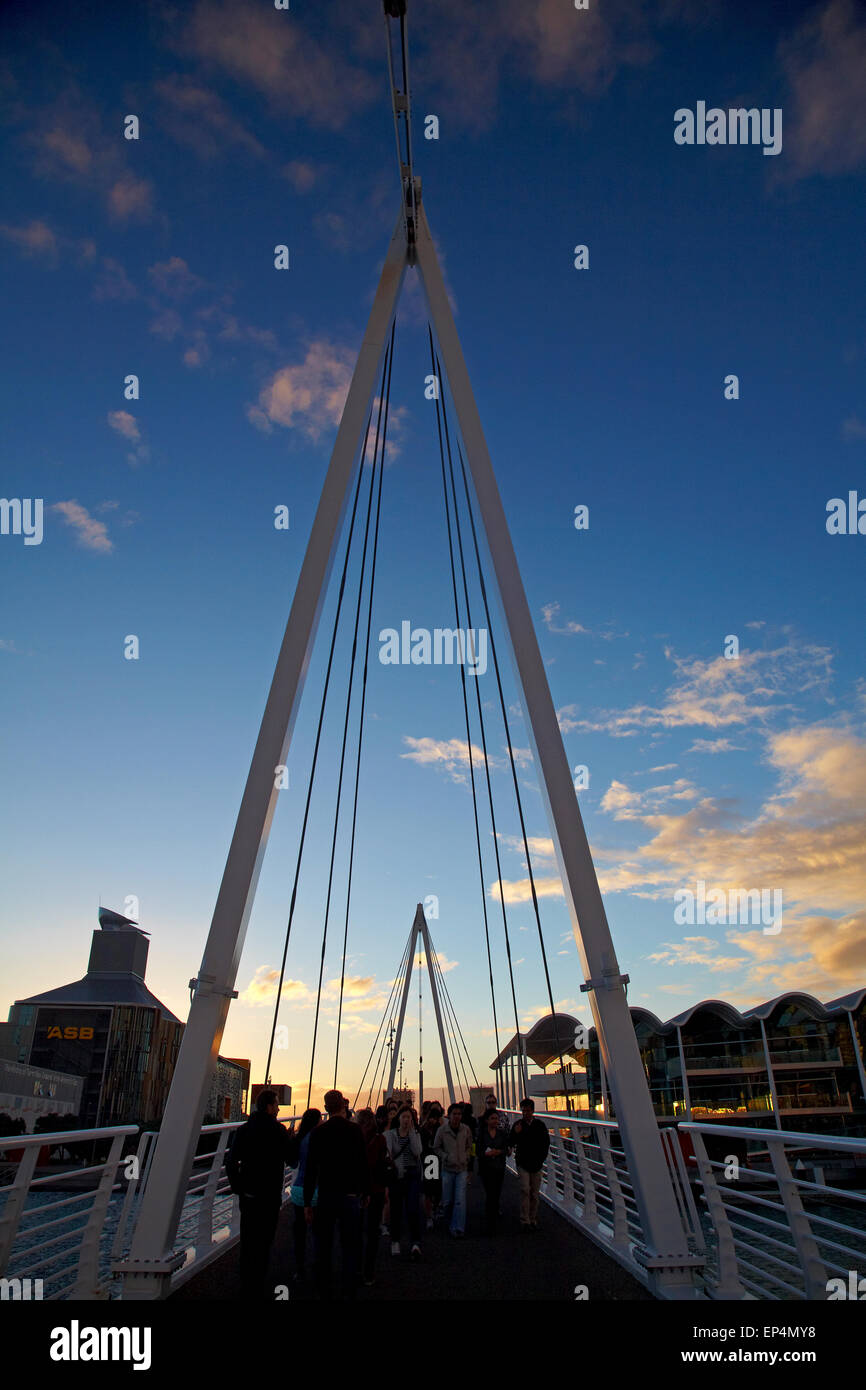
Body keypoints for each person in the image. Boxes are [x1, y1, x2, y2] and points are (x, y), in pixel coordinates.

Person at [225, 1089, 293, 1300]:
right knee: (264, 1241)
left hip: (249, 1195)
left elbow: (231, 1162)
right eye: (276, 1104)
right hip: (270, 1196)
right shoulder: (279, 1131)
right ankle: (258, 1285)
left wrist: (238, 1187)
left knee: (248, 1239)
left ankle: (246, 1285)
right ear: (269, 1107)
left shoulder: (243, 1130)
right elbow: (291, 1159)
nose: (279, 1108)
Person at [304, 1089, 369, 1299]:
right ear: (344, 1105)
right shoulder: (355, 1130)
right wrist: (365, 1192)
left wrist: (307, 1203)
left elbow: (311, 1169)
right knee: (350, 1245)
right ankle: (349, 1287)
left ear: (325, 1108)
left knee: (324, 1244)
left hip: (326, 1196)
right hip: (349, 1196)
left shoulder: (318, 1133)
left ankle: (323, 1287)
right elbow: (362, 1164)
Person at [287, 1108, 322, 1281]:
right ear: (317, 1122)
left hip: (298, 1190)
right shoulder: (318, 1139)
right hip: (315, 1190)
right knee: (318, 1232)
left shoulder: (299, 1139)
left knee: (299, 1232)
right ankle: (318, 1267)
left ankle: (299, 1269)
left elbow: (293, 1164)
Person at [385, 1105, 423, 1259]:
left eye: (409, 1117)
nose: (407, 1120)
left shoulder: (415, 1134)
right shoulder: (390, 1135)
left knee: (413, 1209)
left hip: (413, 1175)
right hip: (397, 1177)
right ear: (398, 1118)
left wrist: (412, 1133)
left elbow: (417, 1151)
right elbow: (388, 1153)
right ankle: (395, 1241)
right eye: (404, 1117)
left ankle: (415, 1243)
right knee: (396, 1210)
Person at [356, 1108, 389, 1285]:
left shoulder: (353, 1140)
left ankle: (356, 1268)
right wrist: (385, 1190)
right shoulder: (380, 1139)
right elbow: (383, 1167)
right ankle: (369, 1271)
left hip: (357, 1191)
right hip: (375, 1190)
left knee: (356, 1231)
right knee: (372, 1232)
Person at [508, 1097, 550, 1231]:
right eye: (523, 1111)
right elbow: (511, 1141)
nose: (525, 1113)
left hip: (537, 1163)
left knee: (534, 1193)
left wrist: (542, 1158)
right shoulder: (518, 1125)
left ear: (532, 1111)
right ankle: (525, 1219)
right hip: (523, 1163)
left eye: (527, 1111)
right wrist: (516, 1133)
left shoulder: (540, 1125)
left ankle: (532, 1218)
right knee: (525, 1189)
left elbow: (545, 1143)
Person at [433, 1103, 472, 1238]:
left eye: (459, 1114)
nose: (456, 1117)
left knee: (460, 1199)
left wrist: (467, 1156)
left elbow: (469, 1146)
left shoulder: (466, 1130)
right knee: (448, 1200)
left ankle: (458, 1228)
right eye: (454, 1114)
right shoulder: (442, 1131)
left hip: (462, 1168)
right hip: (447, 1169)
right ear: (449, 1115)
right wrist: (446, 1157)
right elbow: (436, 1147)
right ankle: (450, 1223)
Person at [477, 1107, 509, 1235]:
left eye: (496, 1118)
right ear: (487, 1120)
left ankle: (492, 1219)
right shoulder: (482, 1134)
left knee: (496, 1194)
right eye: (492, 1118)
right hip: (486, 1168)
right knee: (490, 1194)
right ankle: (491, 1223)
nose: (495, 1121)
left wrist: (498, 1152)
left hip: (499, 1167)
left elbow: (506, 1149)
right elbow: (478, 1150)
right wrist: (487, 1154)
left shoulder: (502, 1134)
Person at [420, 1104, 443, 1229]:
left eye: (435, 1118)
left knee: (438, 1190)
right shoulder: (423, 1130)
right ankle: (429, 1215)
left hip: (438, 1162)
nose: (432, 1120)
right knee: (429, 1190)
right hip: (428, 1162)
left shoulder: (441, 1130)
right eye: (431, 1118)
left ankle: (434, 1209)